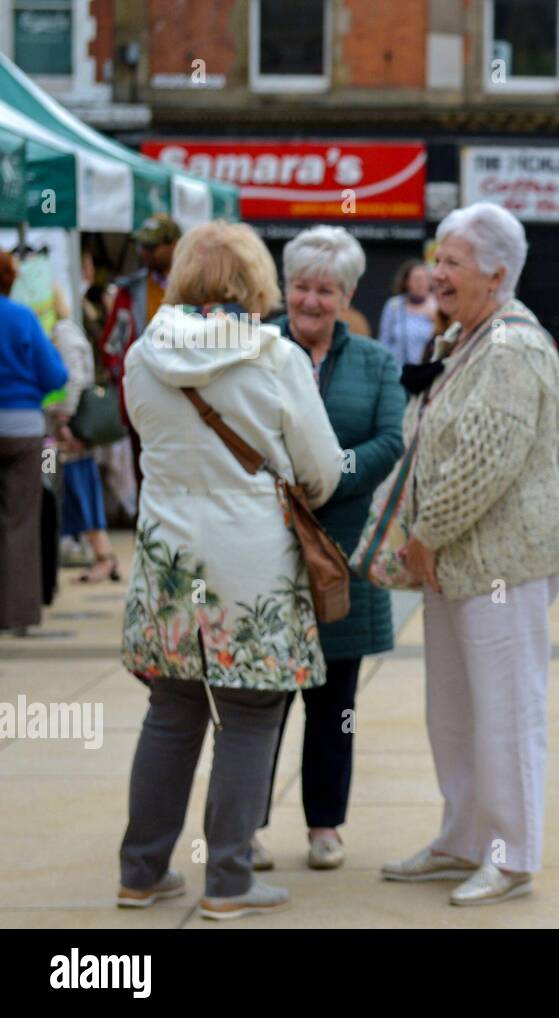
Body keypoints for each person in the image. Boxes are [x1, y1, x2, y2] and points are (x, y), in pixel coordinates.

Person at [117, 221, 343, 920]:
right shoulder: (274, 356)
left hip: (168, 558)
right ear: (256, 284)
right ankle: (229, 878)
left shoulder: (141, 353)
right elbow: (322, 470)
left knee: (171, 711)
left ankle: (142, 871)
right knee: (249, 717)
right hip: (251, 562)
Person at [381, 202, 559, 906]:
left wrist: (423, 537)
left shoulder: (511, 347)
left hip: (500, 565)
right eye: (437, 260)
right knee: (455, 713)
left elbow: (483, 463)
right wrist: (422, 541)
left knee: (506, 711)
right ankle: (462, 838)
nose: (436, 274)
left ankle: (511, 855)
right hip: (453, 562)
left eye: (452, 263)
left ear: (497, 274)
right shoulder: (465, 339)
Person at [257, 225, 405, 872]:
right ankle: (246, 824)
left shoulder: (374, 362)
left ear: (347, 295)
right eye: (300, 286)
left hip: (339, 551)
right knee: (258, 696)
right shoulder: (253, 349)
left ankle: (325, 825)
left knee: (333, 701)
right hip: (261, 545)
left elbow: (389, 438)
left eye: (325, 289)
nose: (310, 301)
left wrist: (330, 476)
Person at [0, 250, 68, 634]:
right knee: (21, 521)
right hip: (23, 428)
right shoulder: (24, 319)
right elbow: (55, 375)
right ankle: (18, 615)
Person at [101, 214, 183, 485]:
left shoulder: (194, 287)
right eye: (142, 246)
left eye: (152, 246)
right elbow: (112, 343)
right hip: (143, 397)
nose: (143, 252)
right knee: (146, 476)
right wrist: (121, 373)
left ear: (174, 246)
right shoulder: (130, 290)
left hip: (187, 399)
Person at [47, 288, 118, 583]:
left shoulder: (63, 332)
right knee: (73, 487)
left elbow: (75, 377)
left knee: (78, 486)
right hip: (60, 431)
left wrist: (65, 417)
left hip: (67, 430)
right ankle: (102, 556)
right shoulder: (62, 330)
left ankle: (104, 556)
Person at [378, 259, 439, 367]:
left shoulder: (437, 305)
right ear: (406, 282)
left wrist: (437, 320)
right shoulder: (394, 305)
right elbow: (384, 341)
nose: (421, 283)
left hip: (427, 372)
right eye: (417, 279)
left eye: (425, 279)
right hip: (398, 373)